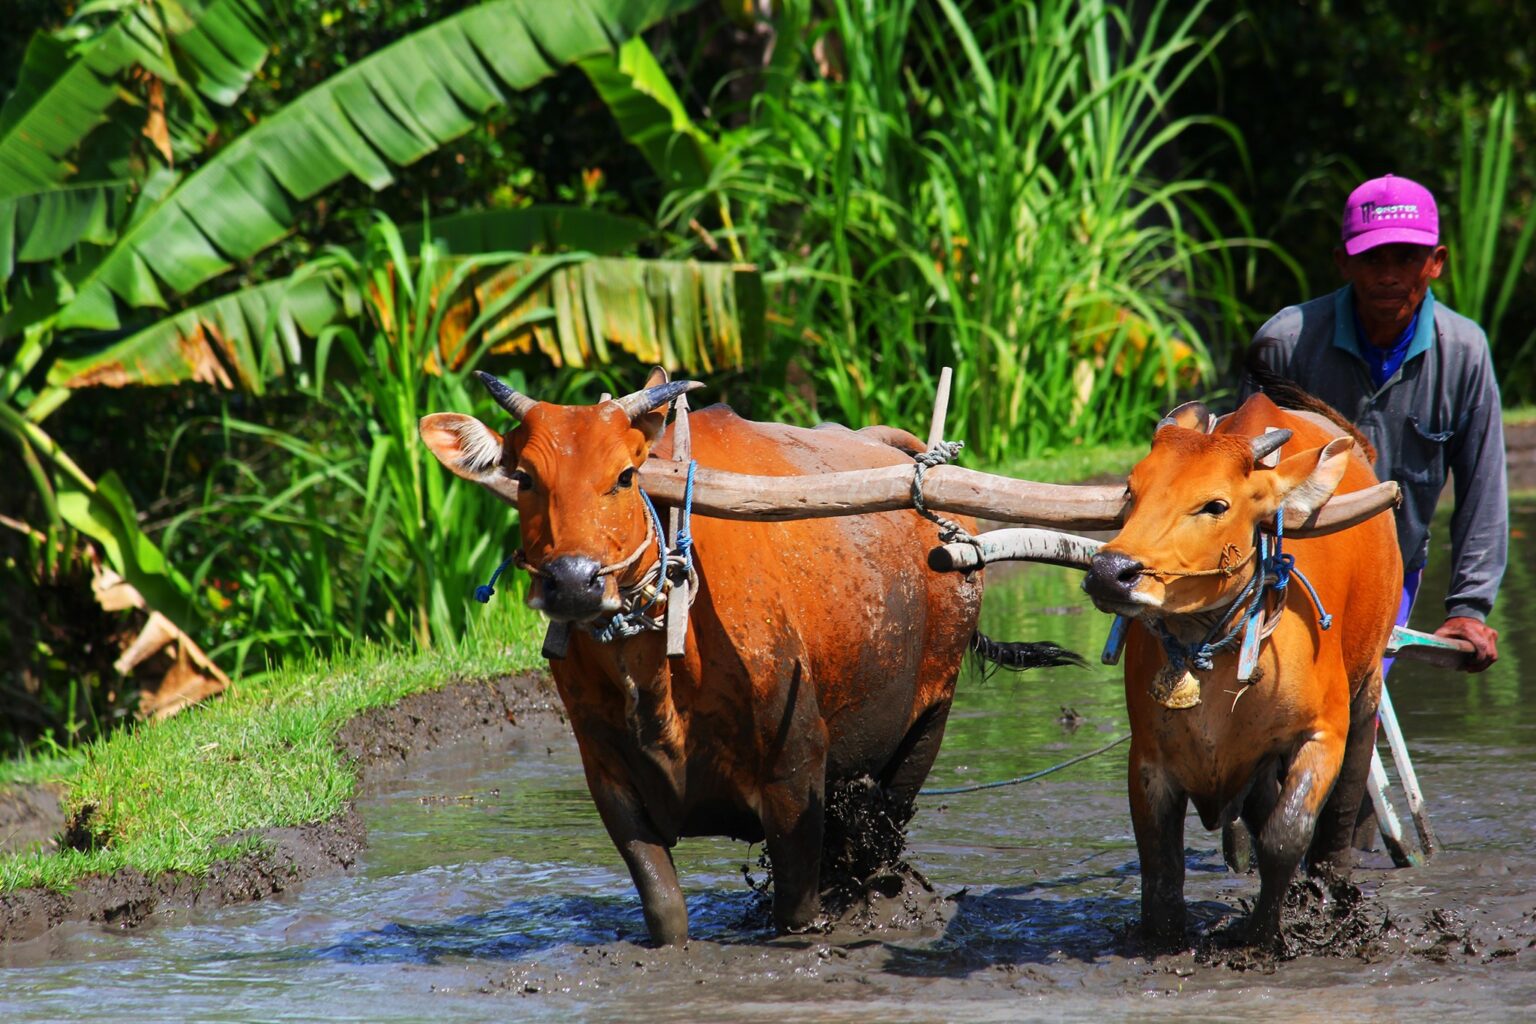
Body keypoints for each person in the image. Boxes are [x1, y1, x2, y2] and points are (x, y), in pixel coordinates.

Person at [1242, 173, 1506, 674]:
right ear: (1344, 262)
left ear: (1436, 262)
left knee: (1352, 699)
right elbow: (1240, 475)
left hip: (1389, 572)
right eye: (1372, 260)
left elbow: (1483, 490)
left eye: (1406, 258)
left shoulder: (1463, 352)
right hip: (1286, 569)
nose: (1388, 276)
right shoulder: (1286, 342)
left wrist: (1468, 609)